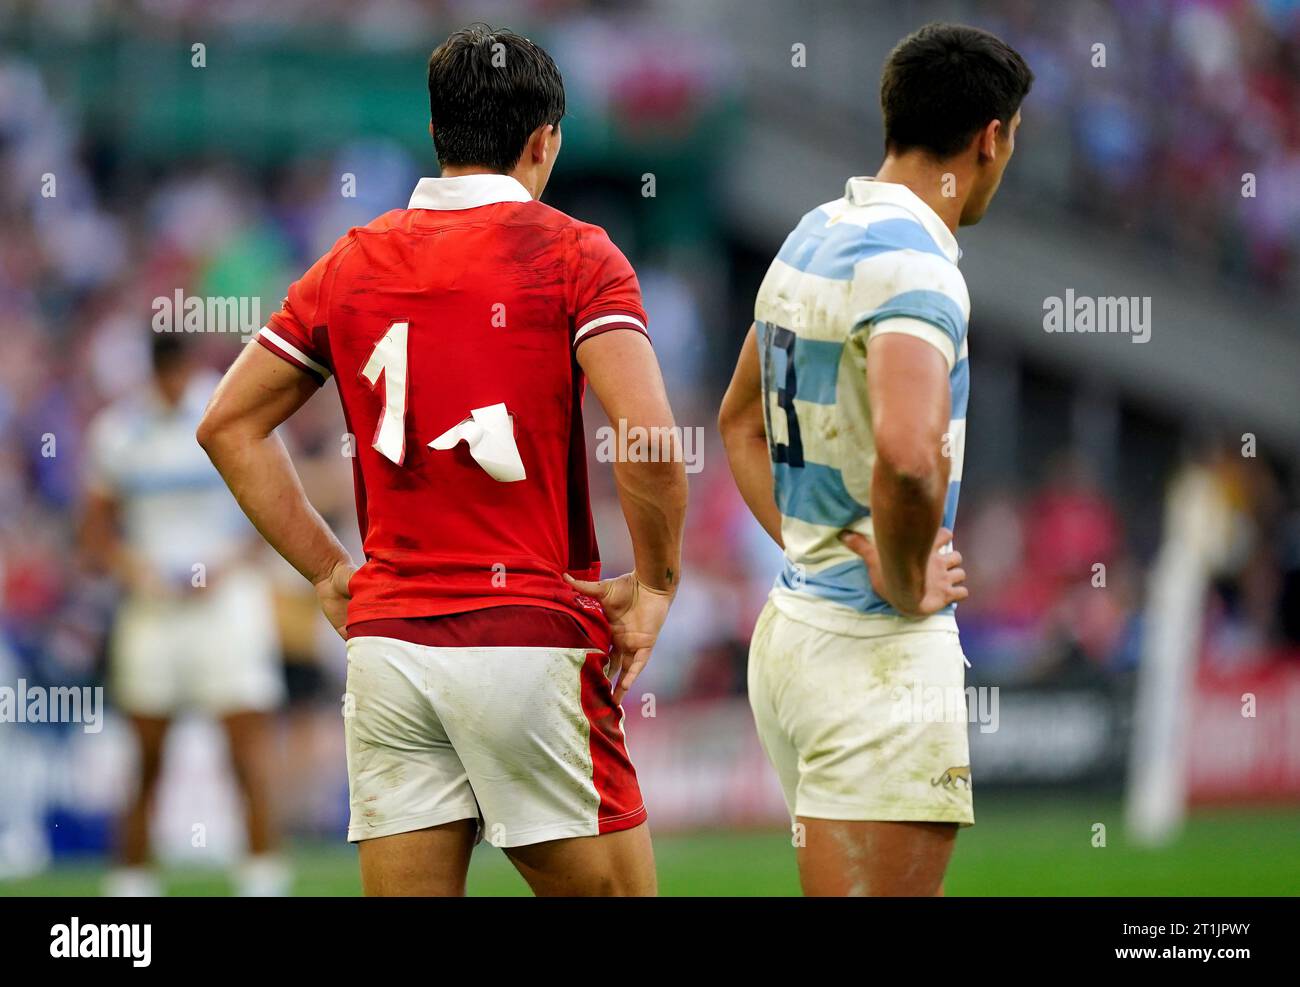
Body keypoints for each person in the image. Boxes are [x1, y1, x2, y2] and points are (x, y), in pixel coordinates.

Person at [197, 24, 687, 897]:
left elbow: (228, 425)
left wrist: (325, 570)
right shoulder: (575, 253)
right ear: (544, 142)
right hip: (526, 634)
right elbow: (647, 439)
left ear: (439, 135)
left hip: (390, 643)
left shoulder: (347, 262)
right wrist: (654, 586)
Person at [718, 22, 1032, 896]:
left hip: (794, 633)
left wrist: (812, 543)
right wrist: (901, 574)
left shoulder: (812, 234)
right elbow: (905, 453)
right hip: (875, 655)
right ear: (991, 138)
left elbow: (737, 423)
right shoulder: (919, 269)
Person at [81, 333, 289, 896]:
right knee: (147, 751)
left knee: (244, 745)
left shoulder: (230, 411)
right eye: (164, 374)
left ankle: (261, 875)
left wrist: (226, 566)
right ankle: (133, 880)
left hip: (227, 601)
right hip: (154, 606)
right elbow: (96, 532)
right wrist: (135, 570)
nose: (174, 384)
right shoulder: (119, 431)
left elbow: (277, 505)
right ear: (154, 372)